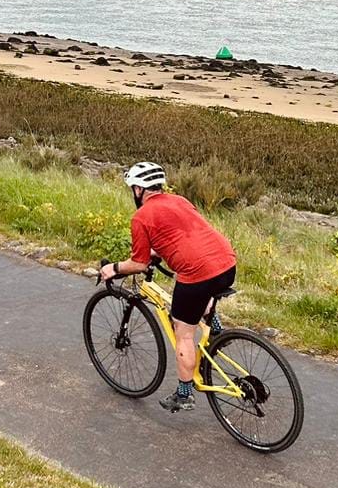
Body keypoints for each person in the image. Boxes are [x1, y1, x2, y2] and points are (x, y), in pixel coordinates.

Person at [99, 161, 236, 412]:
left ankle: (184, 394)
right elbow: (182, 234)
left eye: (133, 189)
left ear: (139, 190)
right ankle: (215, 330)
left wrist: (114, 269)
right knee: (196, 289)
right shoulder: (180, 200)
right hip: (227, 264)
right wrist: (157, 252)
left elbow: (138, 264)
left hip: (199, 274)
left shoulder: (141, 217)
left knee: (183, 330)